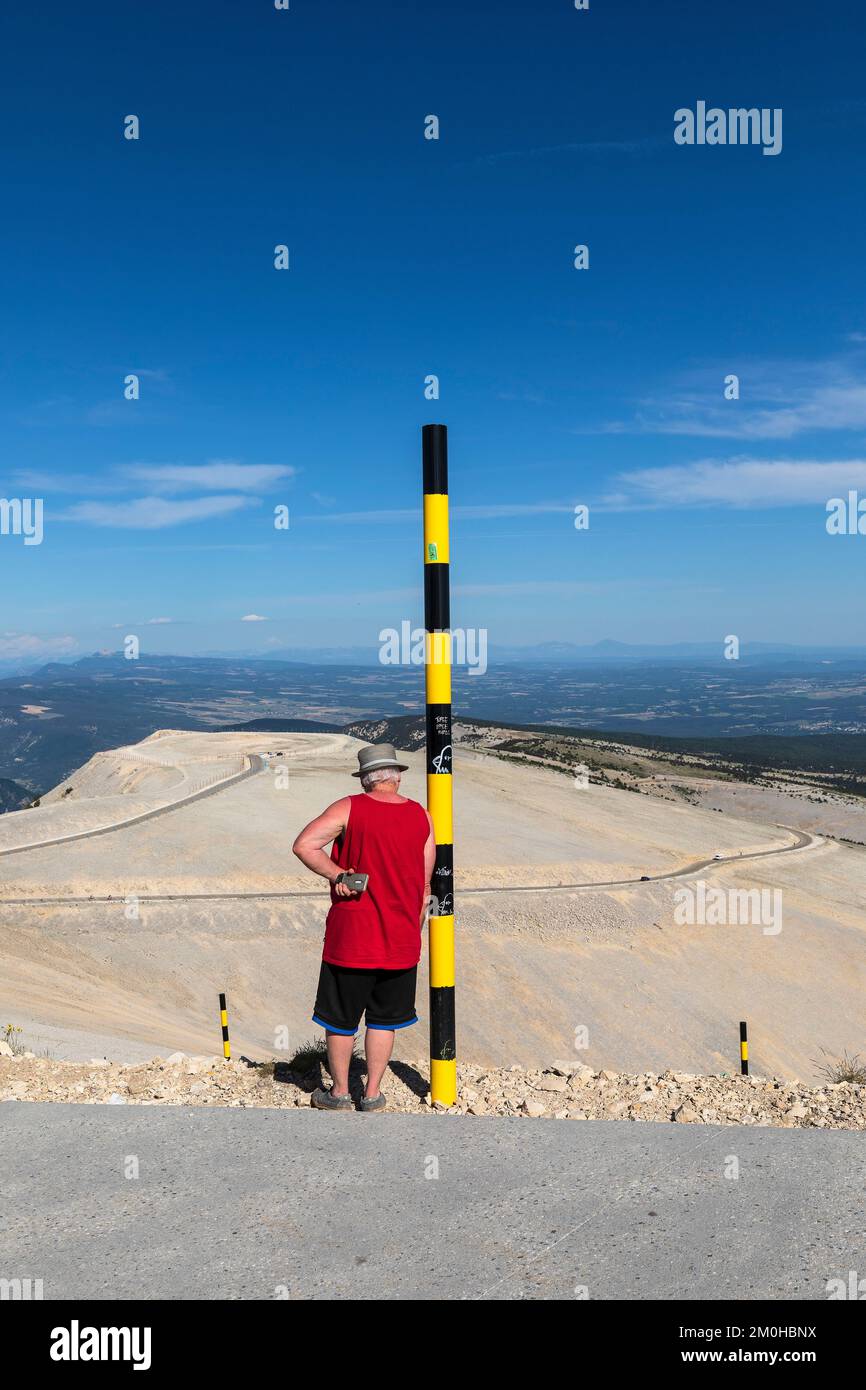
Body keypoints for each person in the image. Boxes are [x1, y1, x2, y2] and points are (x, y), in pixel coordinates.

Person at [292, 743, 435, 1112]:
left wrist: (338, 873)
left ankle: (338, 1092)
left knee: (340, 1020)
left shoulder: (349, 807)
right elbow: (424, 885)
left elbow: (304, 845)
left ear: (366, 780)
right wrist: (412, 929)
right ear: (397, 777)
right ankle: (372, 1093)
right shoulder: (422, 816)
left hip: (352, 938)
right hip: (401, 940)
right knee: (384, 1021)